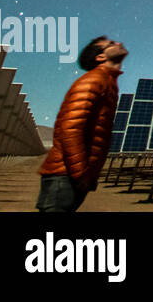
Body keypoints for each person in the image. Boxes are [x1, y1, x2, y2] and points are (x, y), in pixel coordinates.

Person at [36, 36, 127, 212]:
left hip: (70, 175)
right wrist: (80, 172)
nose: (118, 42)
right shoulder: (94, 81)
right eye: (111, 44)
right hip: (66, 175)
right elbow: (70, 129)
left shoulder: (106, 81)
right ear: (100, 57)